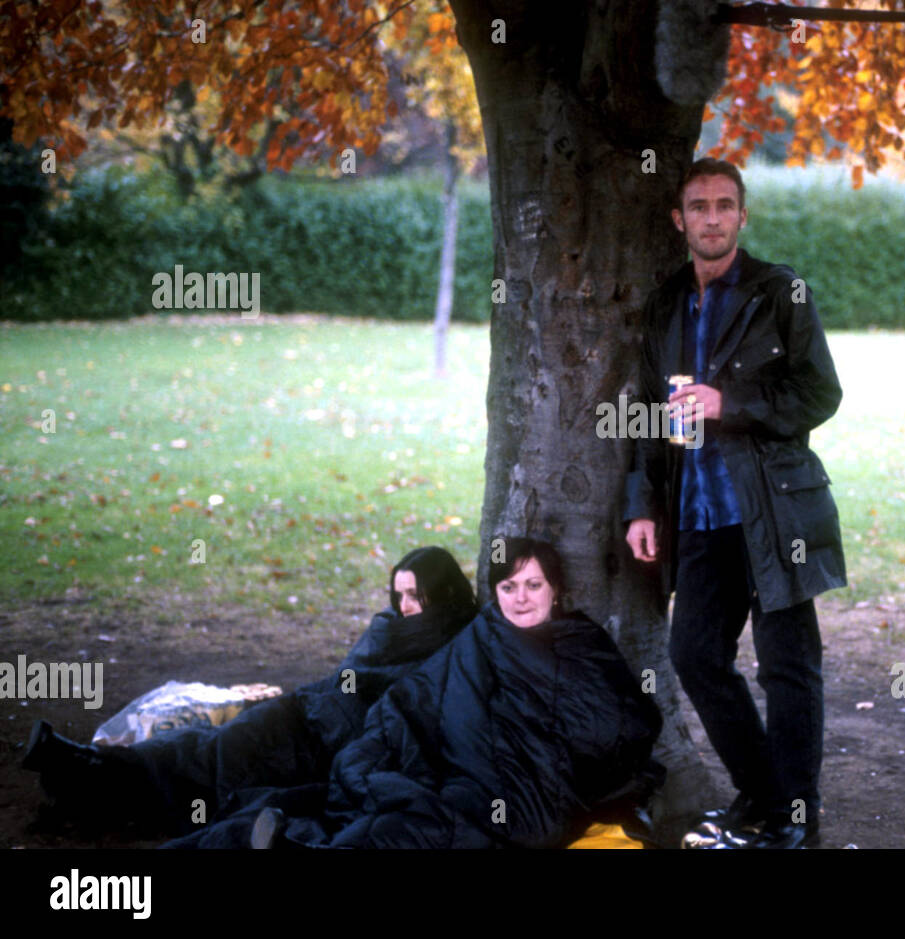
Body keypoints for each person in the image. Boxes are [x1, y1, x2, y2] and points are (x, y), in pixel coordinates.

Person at [623, 158, 845, 849]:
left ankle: (796, 821)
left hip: (773, 511)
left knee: (788, 666)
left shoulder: (782, 292)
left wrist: (732, 404)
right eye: (699, 206)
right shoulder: (664, 305)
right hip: (697, 512)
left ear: (742, 216)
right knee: (693, 654)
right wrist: (640, 505)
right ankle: (765, 796)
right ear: (679, 219)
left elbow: (820, 394)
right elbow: (643, 416)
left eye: (725, 205)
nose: (712, 217)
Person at [175, 537, 664, 849]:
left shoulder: (584, 646)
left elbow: (619, 725)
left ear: (555, 590)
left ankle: (295, 843)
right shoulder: (481, 638)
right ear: (495, 594)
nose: (520, 598)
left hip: (527, 796)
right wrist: (380, 749)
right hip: (456, 774)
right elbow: (416, 700)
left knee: (434, 827)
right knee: (400, 809)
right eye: (509, 586)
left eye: (533, 585)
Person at [22, 546, 478, 837]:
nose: (404, 608)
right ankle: (90, 765)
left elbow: (399, 715)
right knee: (207, 745)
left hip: (320, 745)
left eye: (415, 596)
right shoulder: (392, 631)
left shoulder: (448, 649)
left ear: (442, 596)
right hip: (305, 712)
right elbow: (348, 677)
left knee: (213, 766)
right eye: (398, 595)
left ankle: (91, 780)